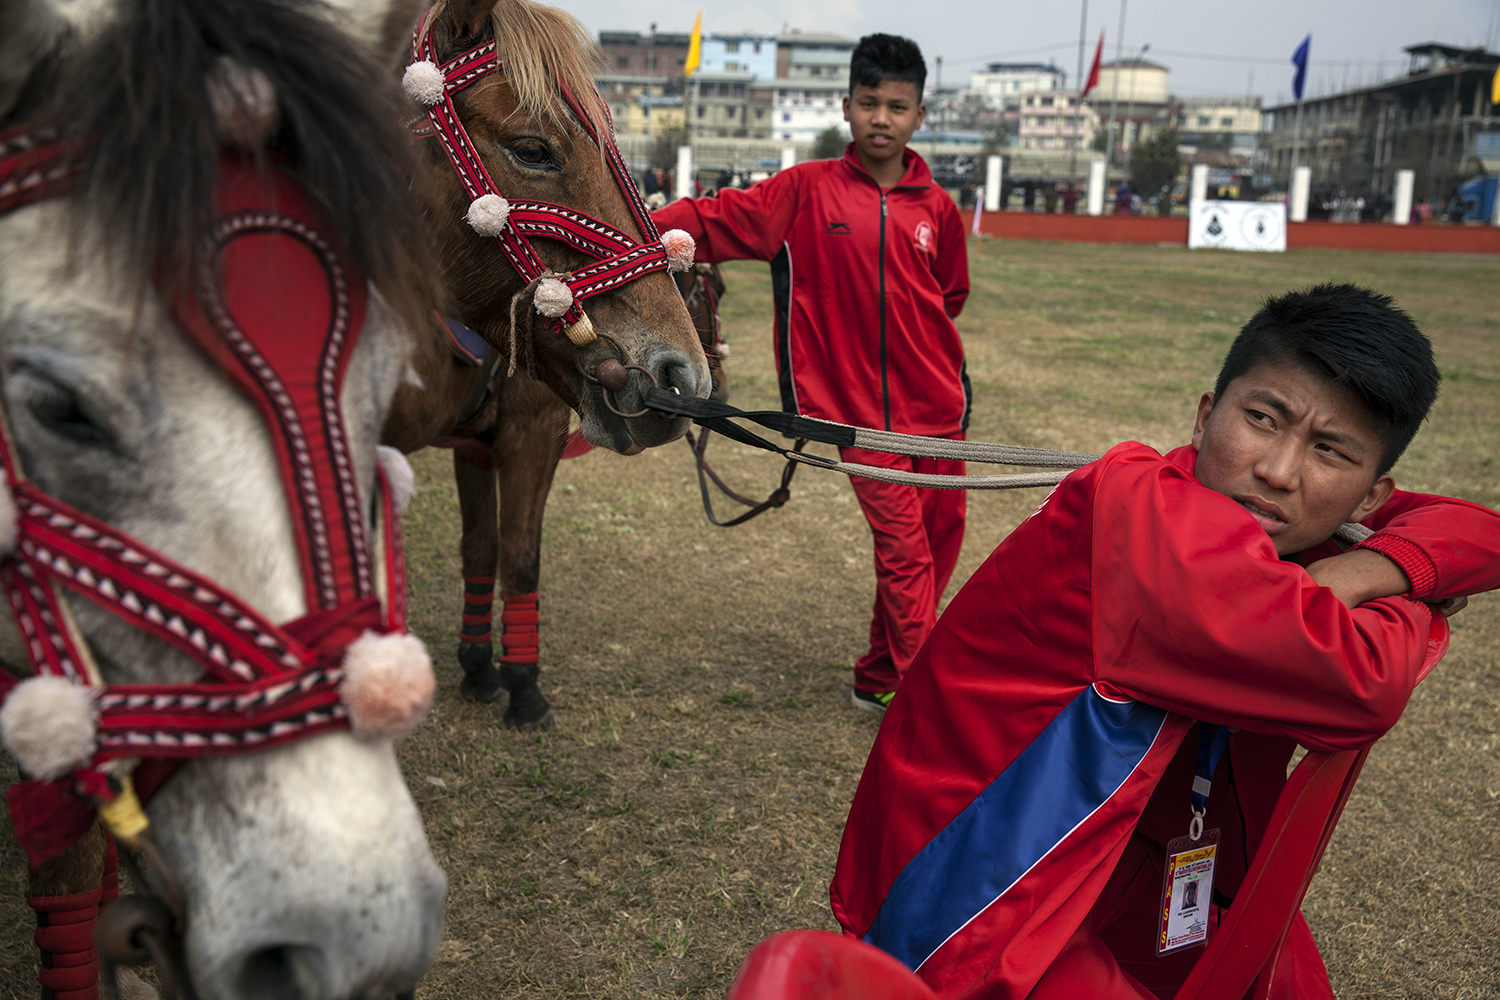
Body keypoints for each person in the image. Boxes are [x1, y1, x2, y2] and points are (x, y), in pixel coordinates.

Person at [830, 284, 1500, 1000]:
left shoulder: (1275, 526)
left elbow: (1479, 530)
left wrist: (1377, 566)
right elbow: (1366, 681)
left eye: (1330, 450)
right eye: (1262, 418)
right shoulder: (1150, 524)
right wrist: (1403, 601)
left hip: (1122, 858)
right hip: (979, 906)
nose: (1278, 469)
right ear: (1207, 416)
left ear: (1372, 498)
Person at [652, 33, 971, 715]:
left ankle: (877, 675)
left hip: (940, 414)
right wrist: (642, 227)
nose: (881, 117)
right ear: (847, 108)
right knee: (906, 557)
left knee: (939, 550)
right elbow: (717, 219)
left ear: (920, 115)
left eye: (897, 105)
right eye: (868, 103)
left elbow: (951, 296)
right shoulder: (804, 192)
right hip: (858, 418)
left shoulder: (937, 209)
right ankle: (925, 708)